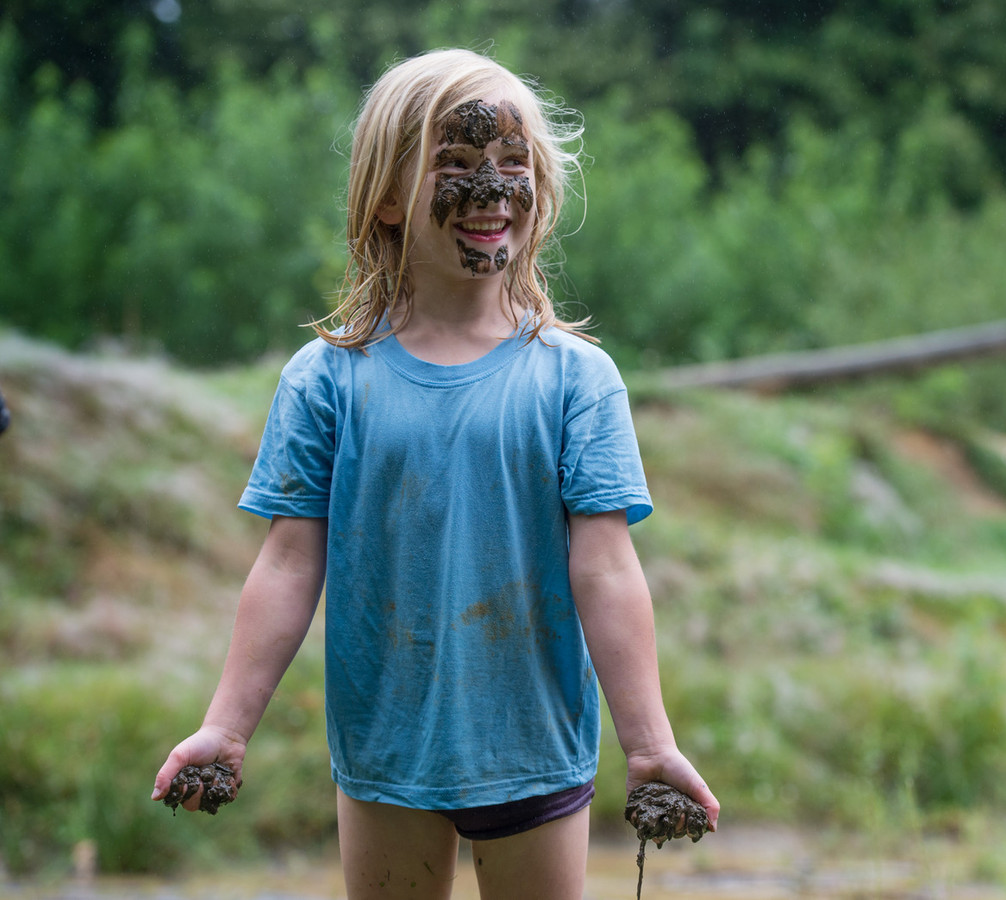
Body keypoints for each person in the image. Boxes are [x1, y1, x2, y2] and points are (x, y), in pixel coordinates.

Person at [151, 48, 718, 899]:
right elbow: (288, 562)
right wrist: (226, 729)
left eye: (513, 164)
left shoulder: (576, 380)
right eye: (454, 164)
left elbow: (605, 568)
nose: (491, 191)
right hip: (386, 751)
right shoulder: (326, 379)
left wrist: (648, 743)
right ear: (386, 195)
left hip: (531, 746)